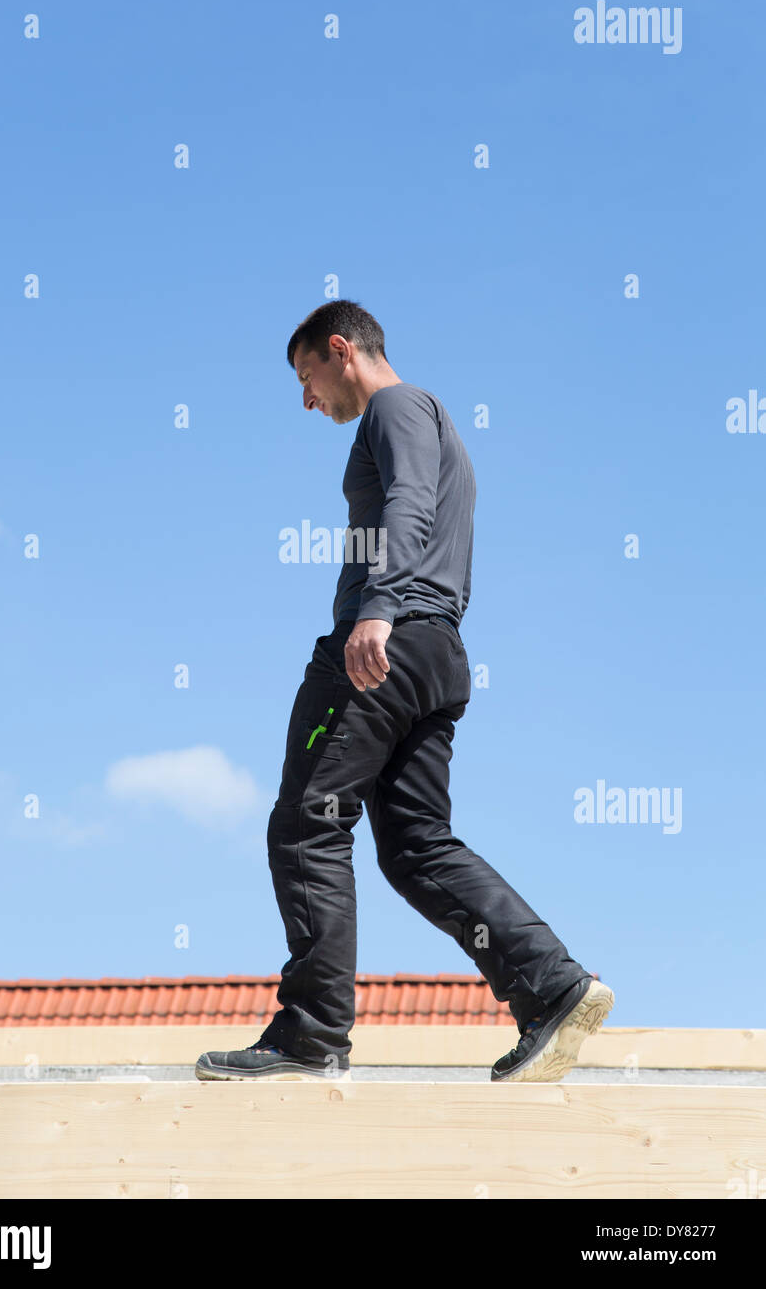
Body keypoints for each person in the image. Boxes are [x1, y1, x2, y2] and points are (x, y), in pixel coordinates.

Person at [196, 300, 613, 1083]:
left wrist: (378, 611)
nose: (307, 400)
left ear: (340, 349)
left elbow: (408, 504)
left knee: (306, 826)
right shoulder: (426, 419)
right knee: (416, 846)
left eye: (306, 376)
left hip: (384, 648)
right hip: (436, 653)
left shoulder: (394, 407)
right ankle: (552, 987)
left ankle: (310, 1037)